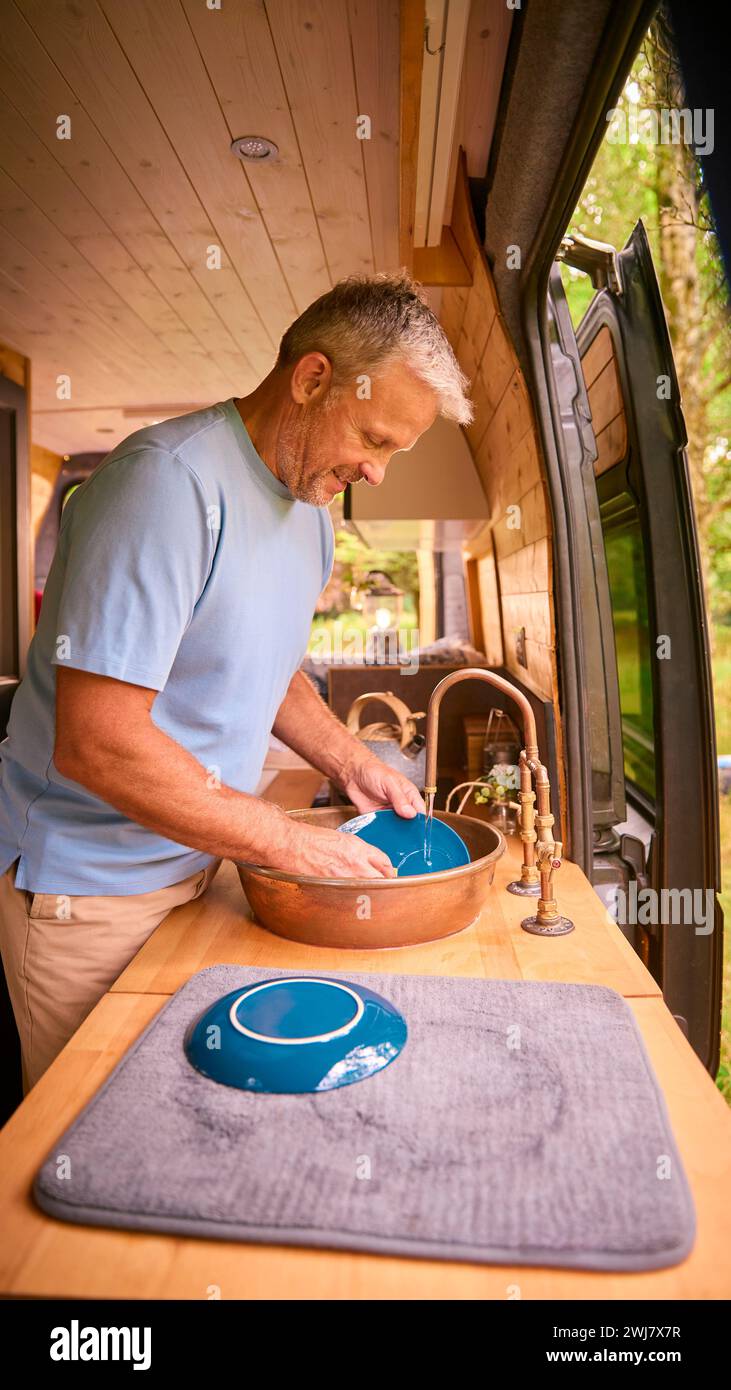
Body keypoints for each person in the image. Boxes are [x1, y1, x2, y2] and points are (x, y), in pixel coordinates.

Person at [0, 271, 472, 1091]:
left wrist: (348, 760)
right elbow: (97, 743)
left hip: (205, 867)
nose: (377, 472)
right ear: (312, 379)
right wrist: (287, 841)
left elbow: (267, 669)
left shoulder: (309, 514)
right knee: (105, 1132)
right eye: (373, 439)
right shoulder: (164, 485)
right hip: (93, 895)